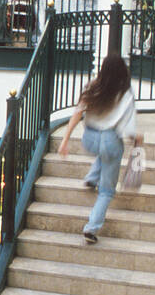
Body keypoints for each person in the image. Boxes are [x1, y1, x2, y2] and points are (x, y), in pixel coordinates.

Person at [55, 53, 142, 244]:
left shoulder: (92, 87)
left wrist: (65, 139)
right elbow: (126, 128)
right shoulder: (125, 93)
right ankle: (91, 228)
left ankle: (91, 178)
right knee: (107, 191)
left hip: (90, 139)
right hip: (109, 141)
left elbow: (77, 114)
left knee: (105, 153)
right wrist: (138, 138)